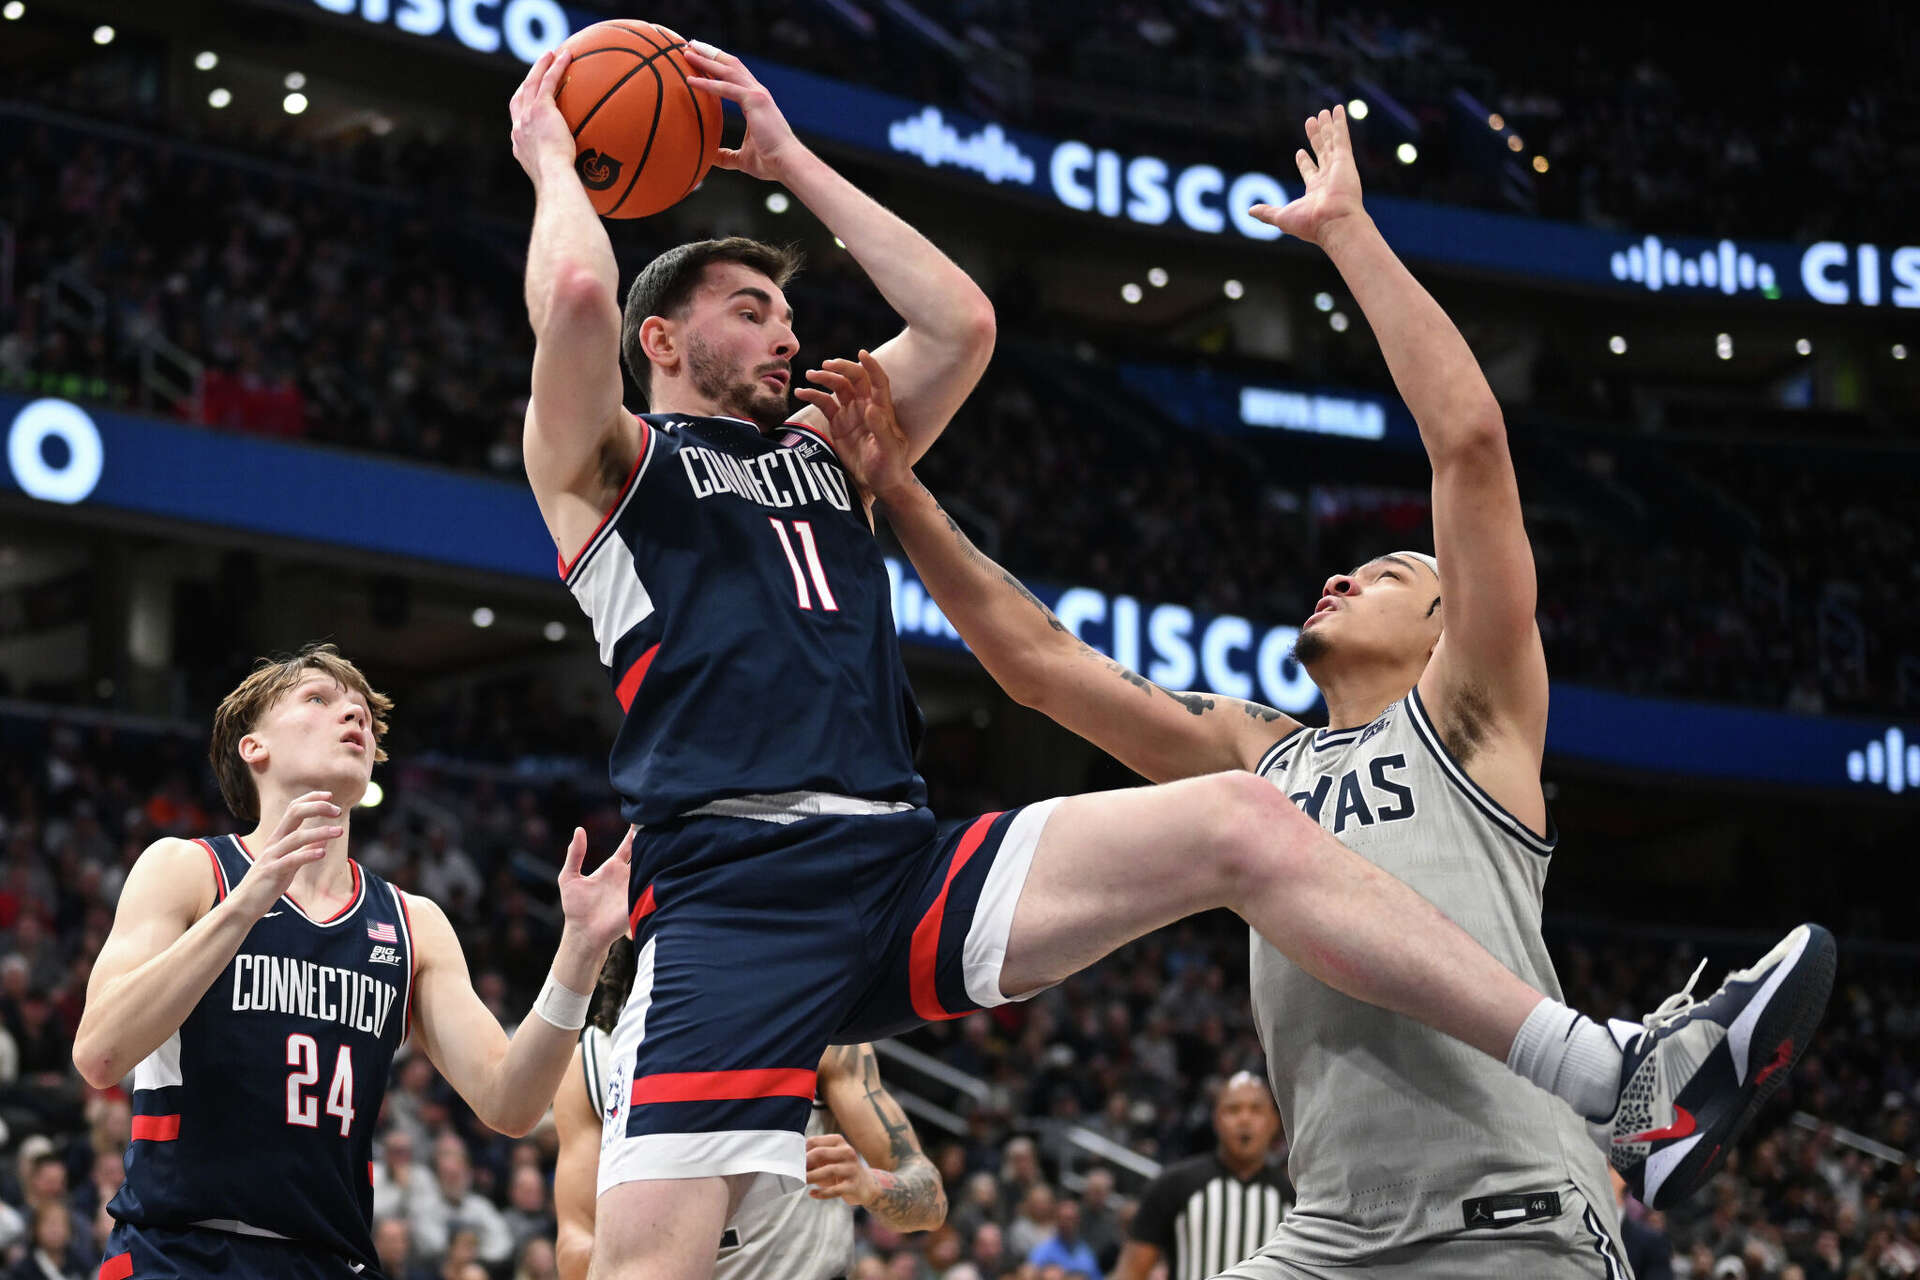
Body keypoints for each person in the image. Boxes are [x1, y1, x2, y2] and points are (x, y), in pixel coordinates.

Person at [507, 26, 1830, 1276]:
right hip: (733, 891)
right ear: (663, 340)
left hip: (896, 863)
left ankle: (1619, 1077)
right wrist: (555, 156)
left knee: (1241, 820)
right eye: (753, 310)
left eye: (785, 310)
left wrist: (792, 156)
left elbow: (962, 323)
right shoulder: (613, 468)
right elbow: (573, 290)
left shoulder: (831, 452)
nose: (789, 335)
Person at [71, 644, 632, 1279]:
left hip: (328, 1260)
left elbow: (511, 1104)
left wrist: (581, 949)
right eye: (318, 699)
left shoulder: (412, 922)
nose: (354, 715)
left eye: (363, 710)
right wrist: (246, 904)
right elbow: (99, 1053)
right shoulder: (188, 870)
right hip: (179, 1252)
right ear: (254, 747)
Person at [550, 940, 947, 1280]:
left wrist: (871, 1186)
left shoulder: (814, 1033)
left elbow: (931, 1201)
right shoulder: (593, 1064)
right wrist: (660, 1243)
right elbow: (572, 1247)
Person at [1115, 1073, 1292, 1280]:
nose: (1244, 1119)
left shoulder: (1295, 1196)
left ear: (1274, 1121)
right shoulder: (1173, 1186)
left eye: (1256, 1110)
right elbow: (1131, 1272)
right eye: (1233, 1110)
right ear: (1216, 1120)